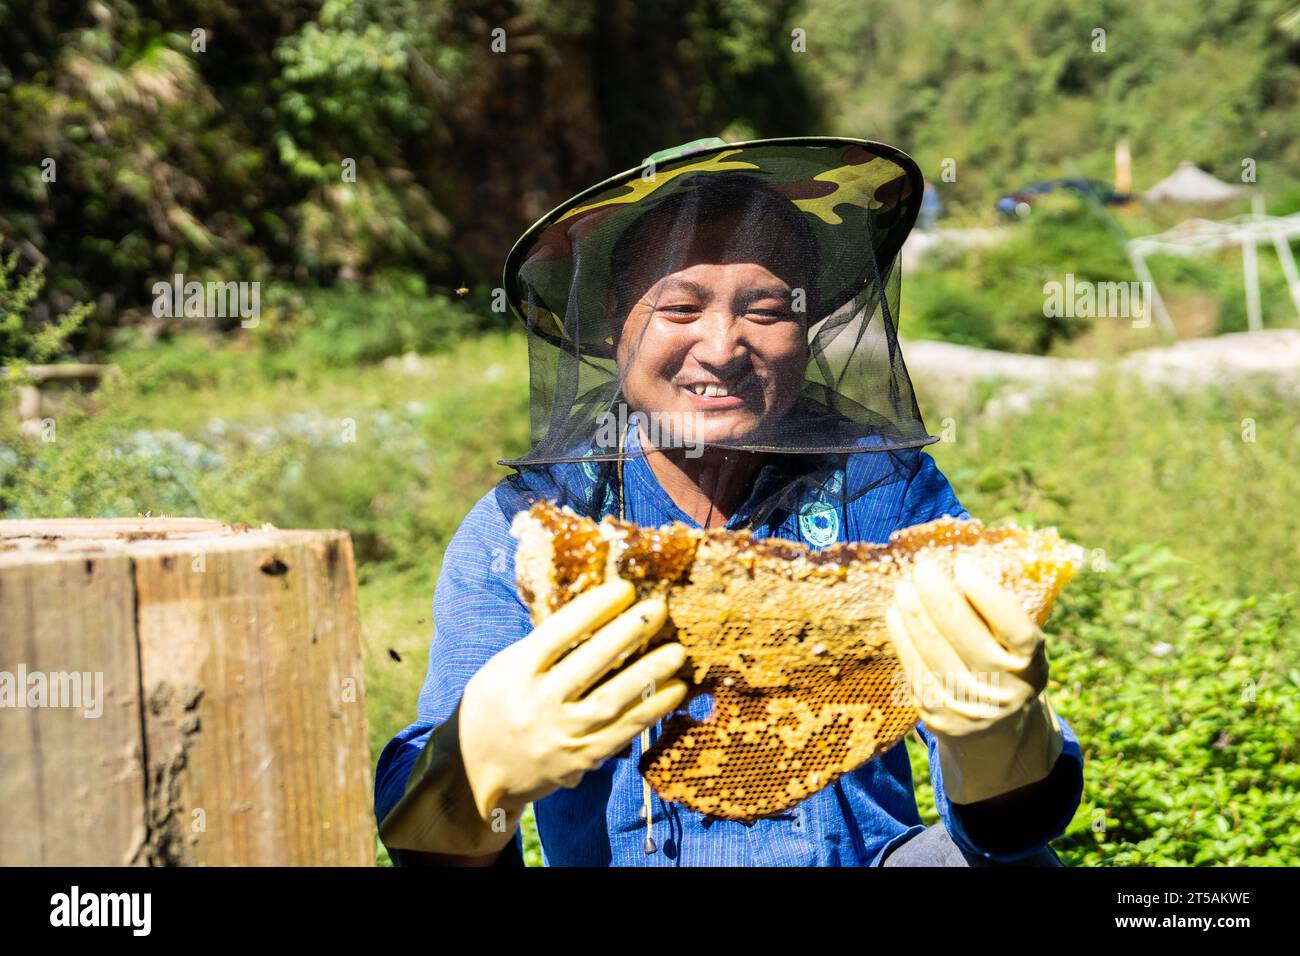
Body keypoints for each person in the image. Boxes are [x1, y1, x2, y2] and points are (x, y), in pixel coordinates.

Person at [375, 136, 1084, 866]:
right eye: (679, 308)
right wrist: (470, 774)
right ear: (617, 321)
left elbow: (1009, 822)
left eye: (767, 309)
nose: (721, 346)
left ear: (807, 328)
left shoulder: (879, 490)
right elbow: (422, 819)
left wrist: (1002, 740)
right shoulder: (529, 529)